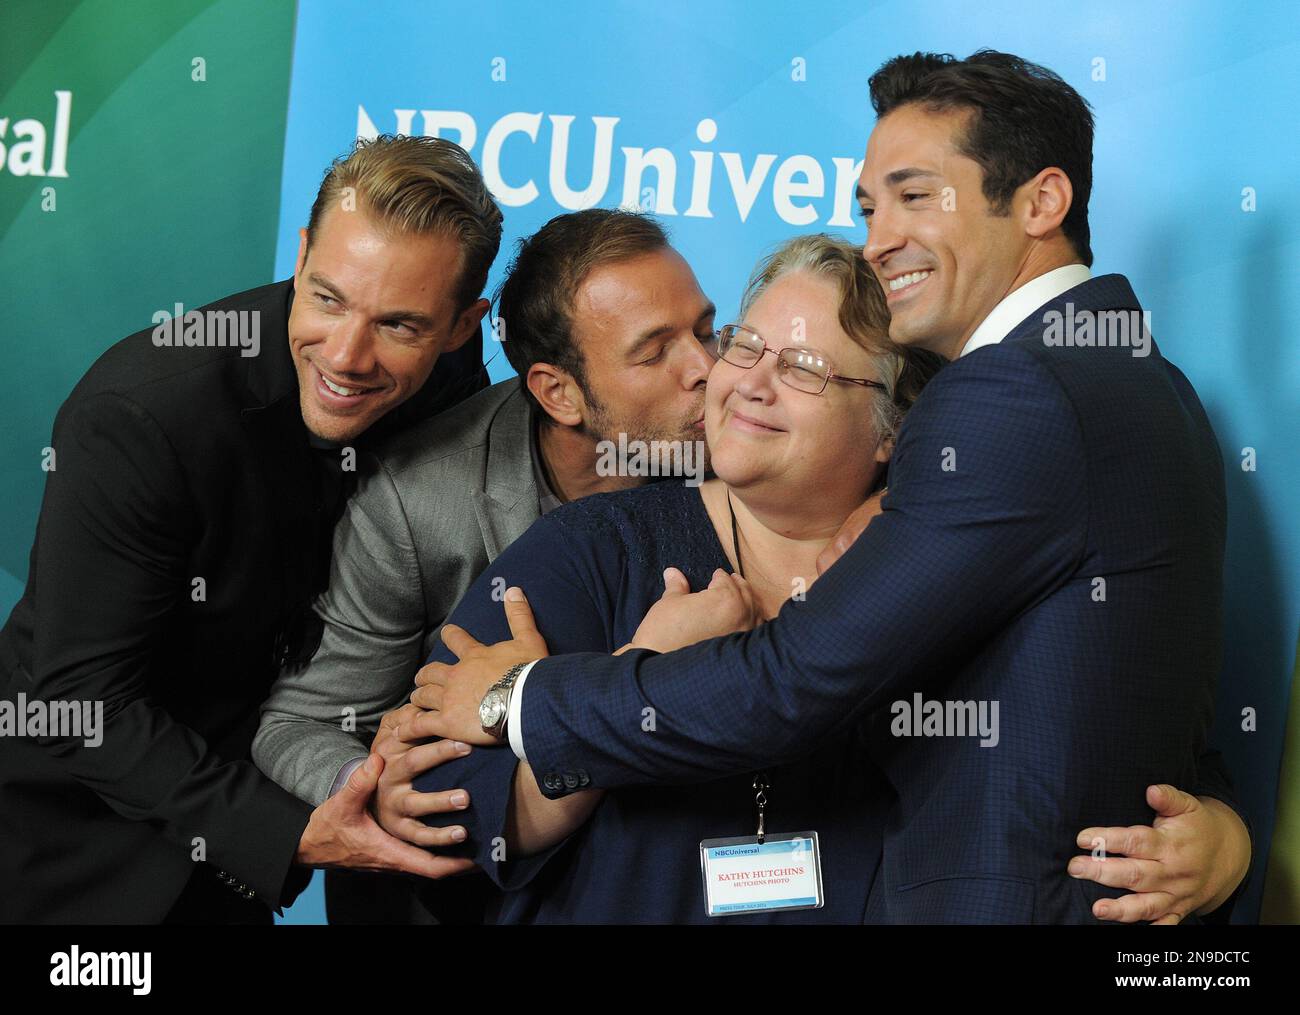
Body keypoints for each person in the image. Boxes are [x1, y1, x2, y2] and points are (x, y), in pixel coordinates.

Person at [412, 52, 1253, 923]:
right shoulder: (1145, 381)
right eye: (869, 205)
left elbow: (795, 681)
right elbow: (1087, 672)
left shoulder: (1013, 396)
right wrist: (1232, 831)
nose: (881, 235)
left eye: (916, 195)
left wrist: (523, 695)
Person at [0, 134, 499, 923]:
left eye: (400, 325)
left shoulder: (452, 386)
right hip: (76, 851)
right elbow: (80, 701)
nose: (346, 355)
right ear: (301, 256)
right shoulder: (142, 417)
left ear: (462, 326)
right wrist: (287, 830)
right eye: (328, 297)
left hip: (250, 844)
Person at [252, 208, 717, 922]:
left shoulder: (745, 450)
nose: (708, 371)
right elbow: (299, 723)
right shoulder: (414, 499)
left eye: (706, 331)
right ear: (558, 391)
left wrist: (534, 691)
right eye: (655, 352)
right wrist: (377, 784)